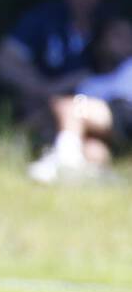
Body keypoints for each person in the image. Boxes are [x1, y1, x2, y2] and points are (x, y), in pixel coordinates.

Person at [0, 0, 113, 130]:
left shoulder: (115, 26)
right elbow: (2, 60)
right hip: (46, 110)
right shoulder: (43, 19)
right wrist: (46, 88)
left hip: (98, 112)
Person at [28, 15, 132, 183]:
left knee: (70, 108)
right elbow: (48, 94)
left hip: (126, 112)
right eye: (118, 36)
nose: (126, 42)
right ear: (102, 40)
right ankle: (92, 176)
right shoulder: (89, 82)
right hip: (106, 126)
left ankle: (64, 161)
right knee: (91, 149)